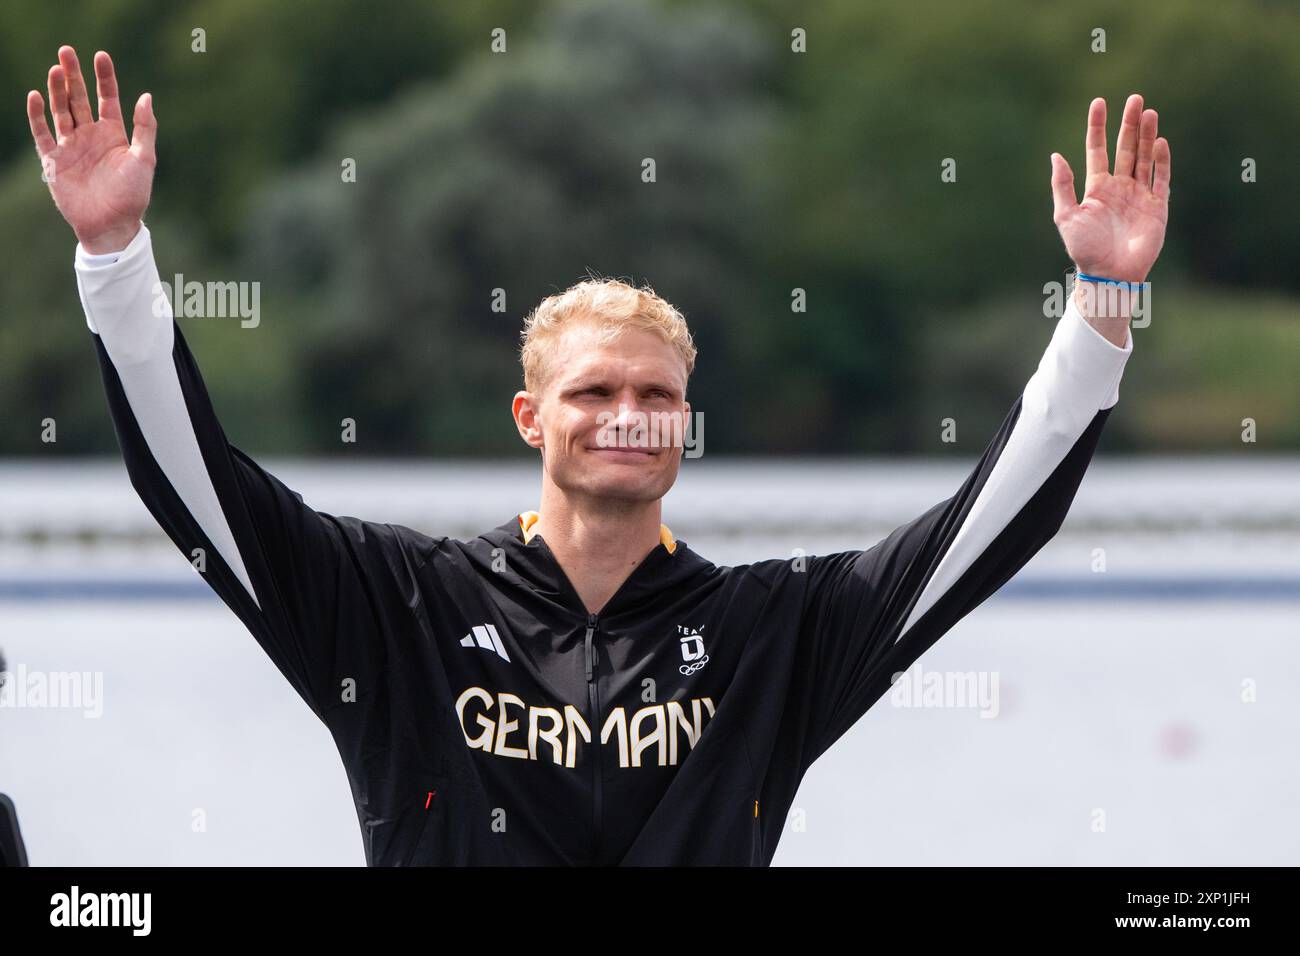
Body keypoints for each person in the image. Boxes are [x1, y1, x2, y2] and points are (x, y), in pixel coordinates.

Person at [27, 46, 1170, 865]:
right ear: (532, 417)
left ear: (685, 422)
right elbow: (192, 488)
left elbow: (991, 523)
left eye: (656, 394)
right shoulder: (397, 608)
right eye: (594, 390)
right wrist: (116, 258)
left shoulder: (775, 633)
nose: (626, 413)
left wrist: (1103, 306)